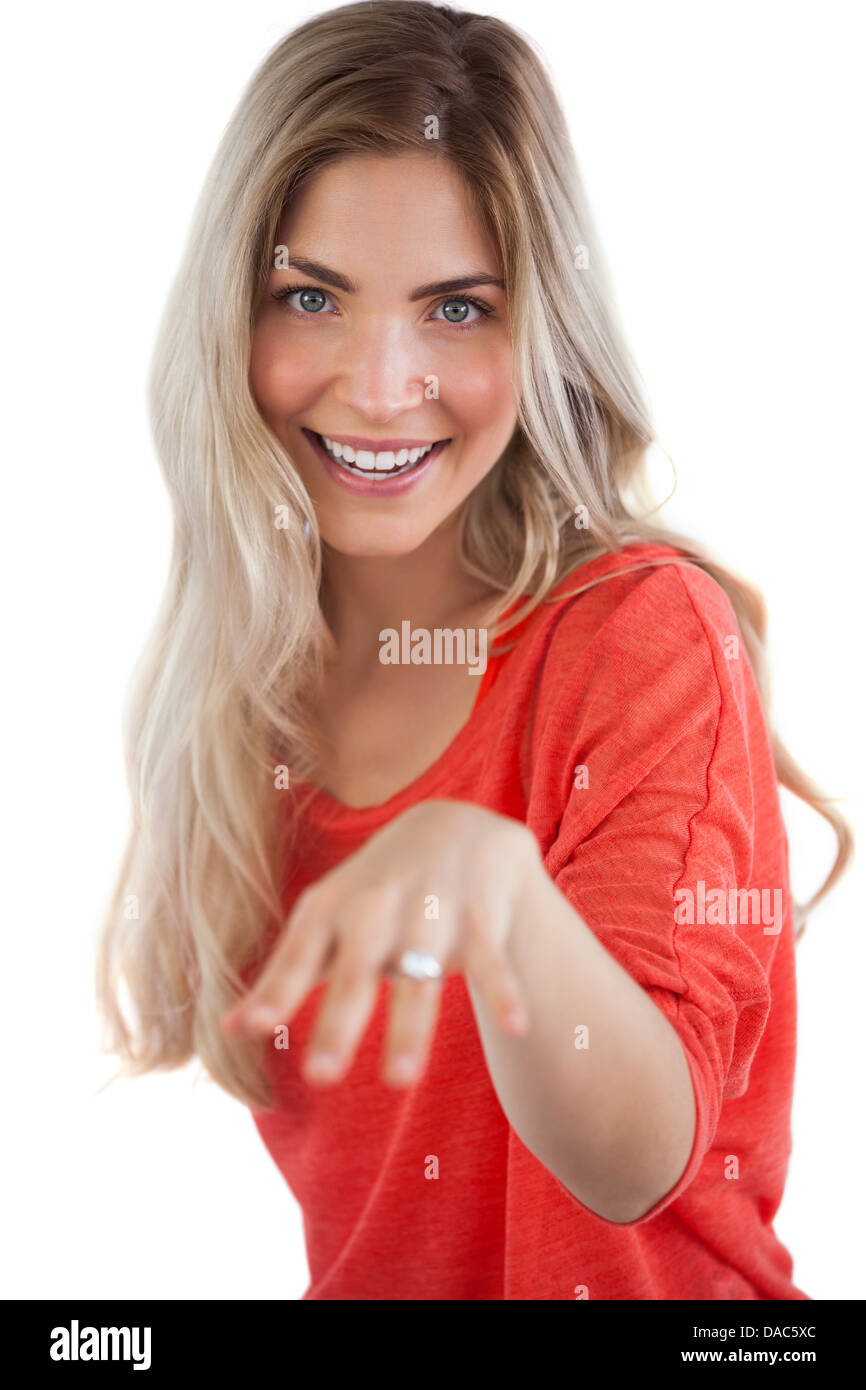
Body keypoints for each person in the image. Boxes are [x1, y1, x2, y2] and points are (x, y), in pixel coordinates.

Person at [97, 1, 851, 1300]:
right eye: (310, 296)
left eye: (454, 309)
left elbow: (637, 1152)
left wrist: (494, 881)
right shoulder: (246, 699)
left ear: (538, 330)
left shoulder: (640, 633)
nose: (381, 383)